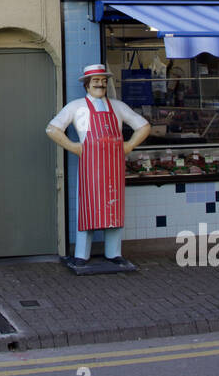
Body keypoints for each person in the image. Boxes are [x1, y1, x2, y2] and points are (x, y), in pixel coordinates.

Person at [46, 64, 151, 264]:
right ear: (87, 84)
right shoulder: (76, 107)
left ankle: (114, 252)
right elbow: (52, 129)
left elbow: (144, 126)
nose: (101, 84)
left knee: (114, 209)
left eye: (103, 81)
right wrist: (74, 147)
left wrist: (129, 146)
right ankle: (82, 254)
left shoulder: (118, 106)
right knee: (88, 208)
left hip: (114, 168)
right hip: (90, 168)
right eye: (96, 81)